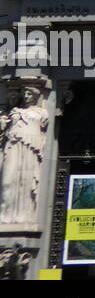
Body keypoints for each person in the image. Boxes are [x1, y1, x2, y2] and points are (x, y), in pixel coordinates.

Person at [0, 86, 49, 224]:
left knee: (25, 181)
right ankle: (5, 215)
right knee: (7, 181)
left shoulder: (42, 112)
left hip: (30, 147)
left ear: (35, 96)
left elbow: (43, 127)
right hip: (12, 145)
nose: (26, 96)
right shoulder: (14, 111)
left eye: (29, 93)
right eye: (24, 93)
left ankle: (24, 217)